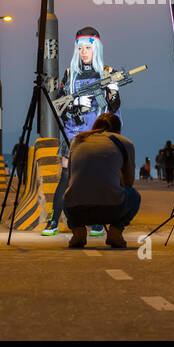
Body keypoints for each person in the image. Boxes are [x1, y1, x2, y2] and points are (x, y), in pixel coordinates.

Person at [46, 26, 123, 237]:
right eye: (80, 48)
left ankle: (98, 222)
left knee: (97, 177)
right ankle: (53, 220)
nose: (84, 52)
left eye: (88, 48)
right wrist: (76, 105)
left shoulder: (107, 72)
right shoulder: (70, 74)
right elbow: (58, 106)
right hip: (73, 131)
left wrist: (113, 89)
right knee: (66, 177)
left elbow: (114, 108)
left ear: (96, 48)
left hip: (97, 131)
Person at [63, 114, 140, 249]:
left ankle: (78, 231)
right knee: (134, 195)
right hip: (111, 209)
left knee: (68, 194)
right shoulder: (125, 143)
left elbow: (71, 179)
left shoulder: (77, 140)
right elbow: (129, 182)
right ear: (118, 128)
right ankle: (115, 231)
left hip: (76, 210)